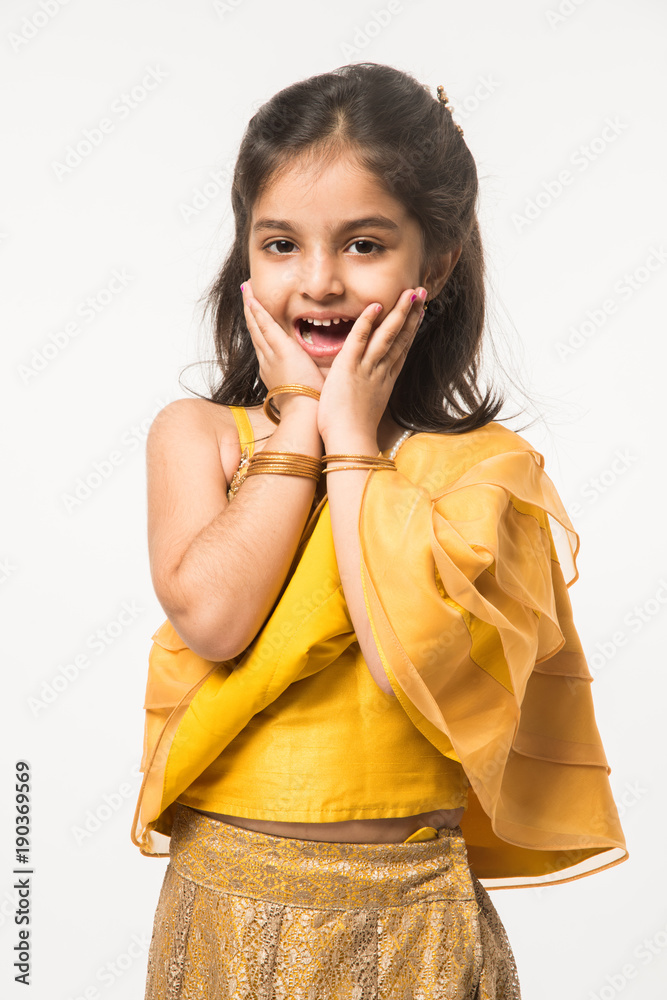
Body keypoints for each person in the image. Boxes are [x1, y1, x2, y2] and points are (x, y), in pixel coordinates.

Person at [132, 62, 628, 998]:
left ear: (433, 264)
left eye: (363, 245)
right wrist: (304, 422)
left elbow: (414, 663)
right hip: (225, 907)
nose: (316, 282)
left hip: (411, 926)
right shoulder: (198, 436)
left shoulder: (484, 470)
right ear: (245, 252)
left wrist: (356, 443)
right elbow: (214, 618)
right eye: (280, 244)